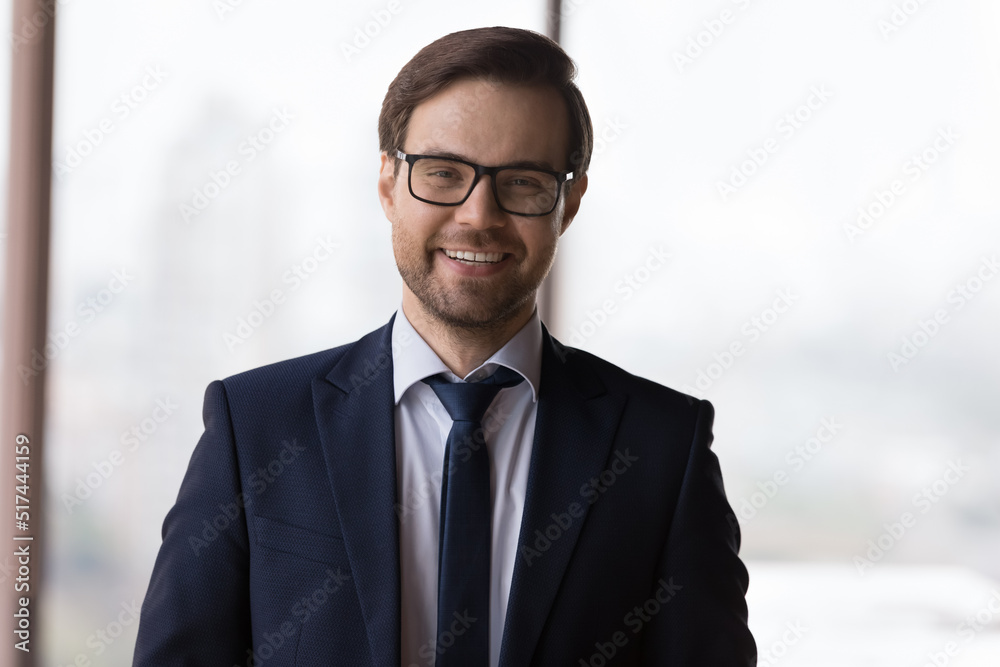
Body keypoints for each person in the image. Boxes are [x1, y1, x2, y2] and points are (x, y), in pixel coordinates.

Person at [133, 26, 756, 667]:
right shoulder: (256, 425)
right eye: (443, 173)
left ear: (568, 203)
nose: (478, 215)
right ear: (387, 184)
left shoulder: (661, 447)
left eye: (522, 182)